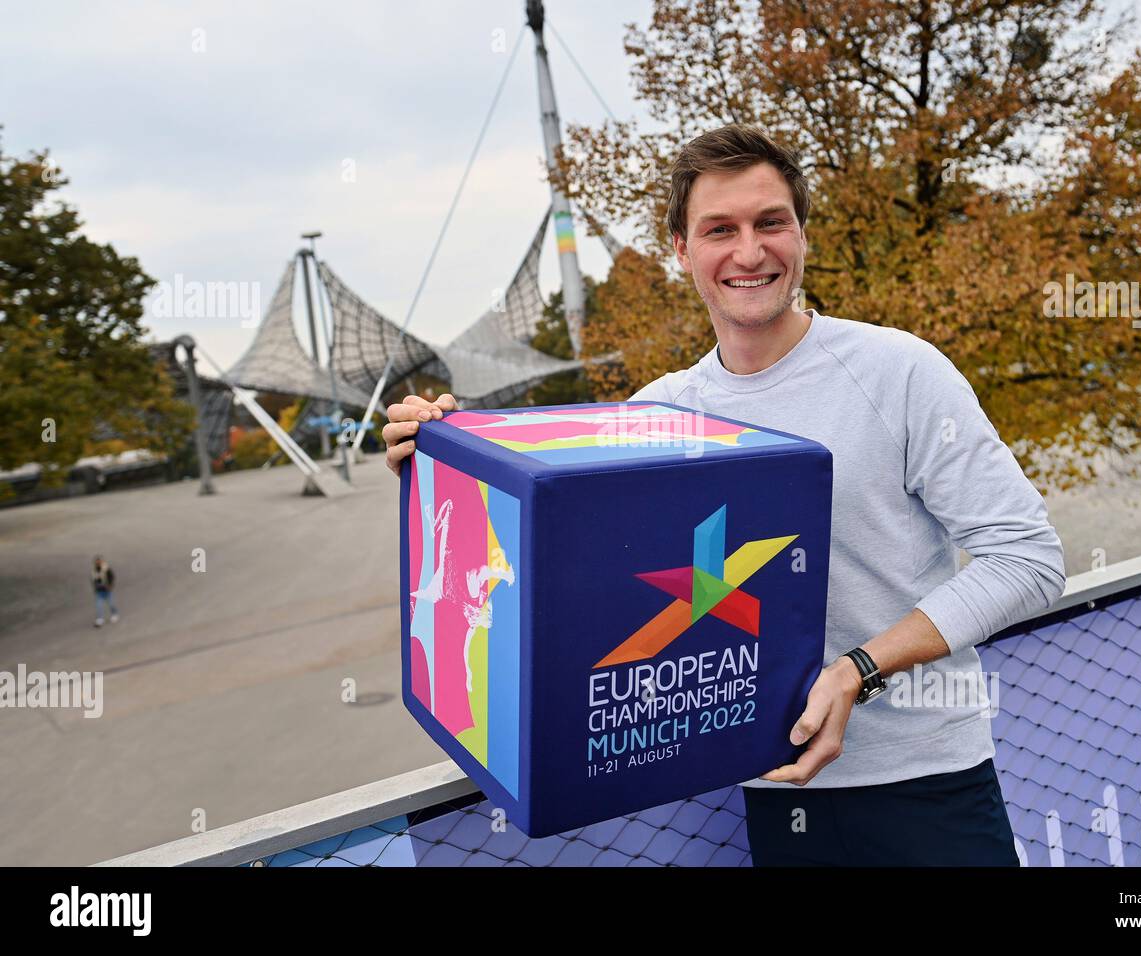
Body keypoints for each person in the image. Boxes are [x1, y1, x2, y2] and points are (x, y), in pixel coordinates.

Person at [382, 125, 1067, 866]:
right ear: (681, 249)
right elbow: (560, 559)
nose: (749, 252)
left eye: (771, 222)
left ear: (801, 233)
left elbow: (1029, 559)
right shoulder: (656, 415)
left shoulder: (901, 371)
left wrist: (857, 671)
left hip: (925, 782)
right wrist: (443, 465)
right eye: (720, 230)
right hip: (769, 790)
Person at [92, 555, 119, 627]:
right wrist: (95, 588)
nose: (98, 563)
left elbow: (112, 577)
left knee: (111, 604)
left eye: (99, 561)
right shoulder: (94, 570)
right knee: (99, 605)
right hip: (99, 591)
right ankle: (100, 619)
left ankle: (114, 615)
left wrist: (110, 586)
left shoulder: (106, 569)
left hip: (107, 590)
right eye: (96, 562)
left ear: (102, 562)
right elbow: (93, 580)